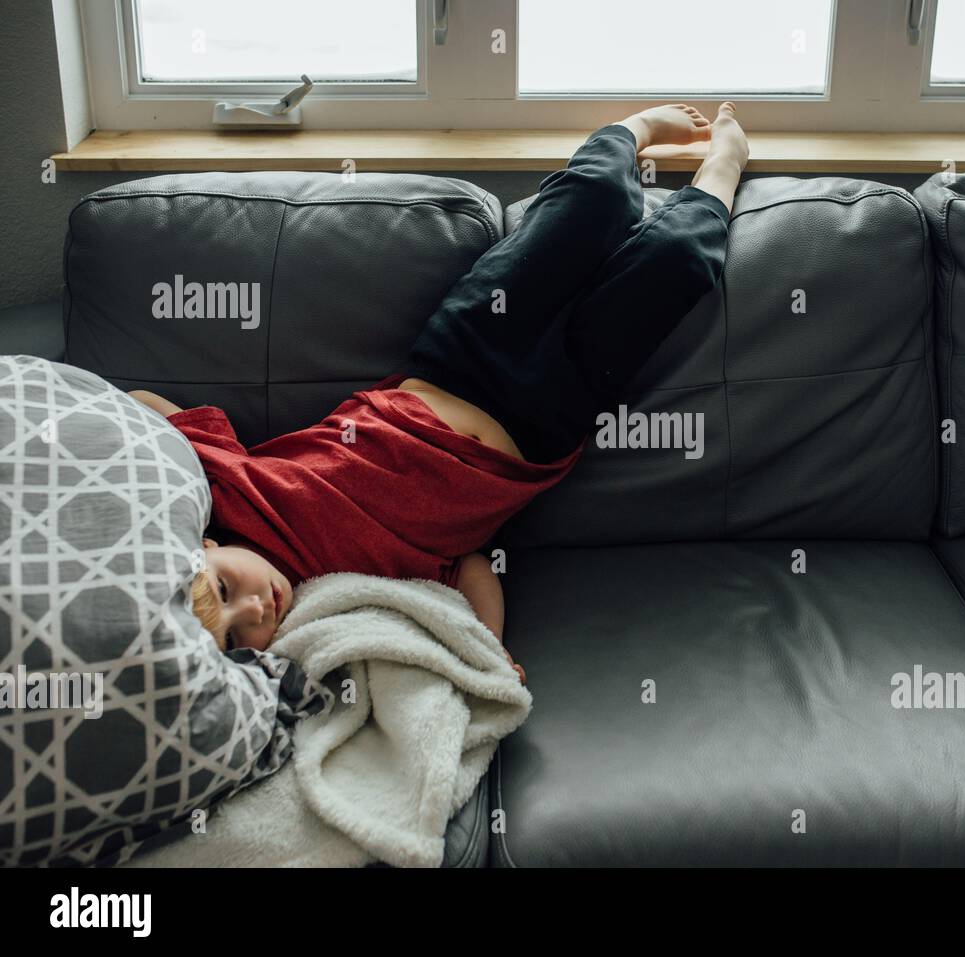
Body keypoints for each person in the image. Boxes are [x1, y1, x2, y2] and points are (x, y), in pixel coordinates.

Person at [129, 103, 750, 682]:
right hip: (544, 420)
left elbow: (147, 412)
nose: (256, 611)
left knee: (590, 204)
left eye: (226, 590)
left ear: (203, 547)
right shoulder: (350, 601)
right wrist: (488, 648)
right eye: (241, 641)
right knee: (676, 262)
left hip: (463, 354)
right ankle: (723, 168)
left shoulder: (227, 489)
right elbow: (471, 568)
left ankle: (632, 132)